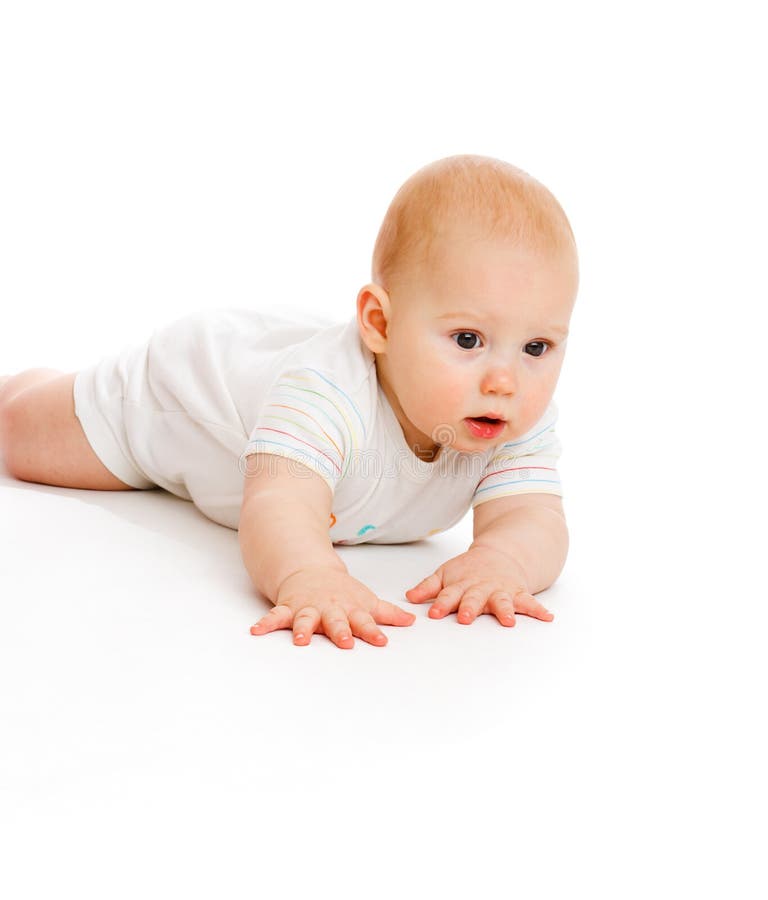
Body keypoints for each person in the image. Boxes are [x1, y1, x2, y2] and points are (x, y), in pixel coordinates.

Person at [0, 154, 579, 650]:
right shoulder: (326, 394)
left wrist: (505, 561)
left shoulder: (513, 418)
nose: (506, 380)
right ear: (380, 324)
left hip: (265, 372)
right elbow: (279, 504)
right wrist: (309, 573)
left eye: (536, 346)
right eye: (468, 341)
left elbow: (532, 517)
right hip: (181, 396)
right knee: (21, 432)